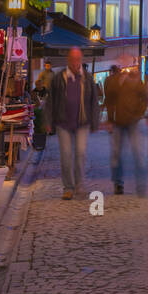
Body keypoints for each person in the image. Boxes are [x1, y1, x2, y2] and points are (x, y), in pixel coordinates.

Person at [46, 47, 99, 200]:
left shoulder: (87, 78)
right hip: (63, 123)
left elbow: (94, 101)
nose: (76, 63)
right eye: (73, 59)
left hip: (82, 122)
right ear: (68, 61)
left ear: (81, 60)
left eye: (78, 60)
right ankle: (68, 187)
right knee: (66, 155)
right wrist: (49, 121)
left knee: (81, 153)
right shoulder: (59, 78)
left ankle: (79, 183)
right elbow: (50, 101)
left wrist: (95, 122)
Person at [104, 64, 148, 195]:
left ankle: (140, 183)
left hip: (133, 121)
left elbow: (144, 97)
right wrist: (110, 119)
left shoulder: (135, 79)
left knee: (138, 153)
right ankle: (118, 182)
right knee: (117, 153)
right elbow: (109, 100)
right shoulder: (112, 80)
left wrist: (138, 113)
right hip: (118, 121)